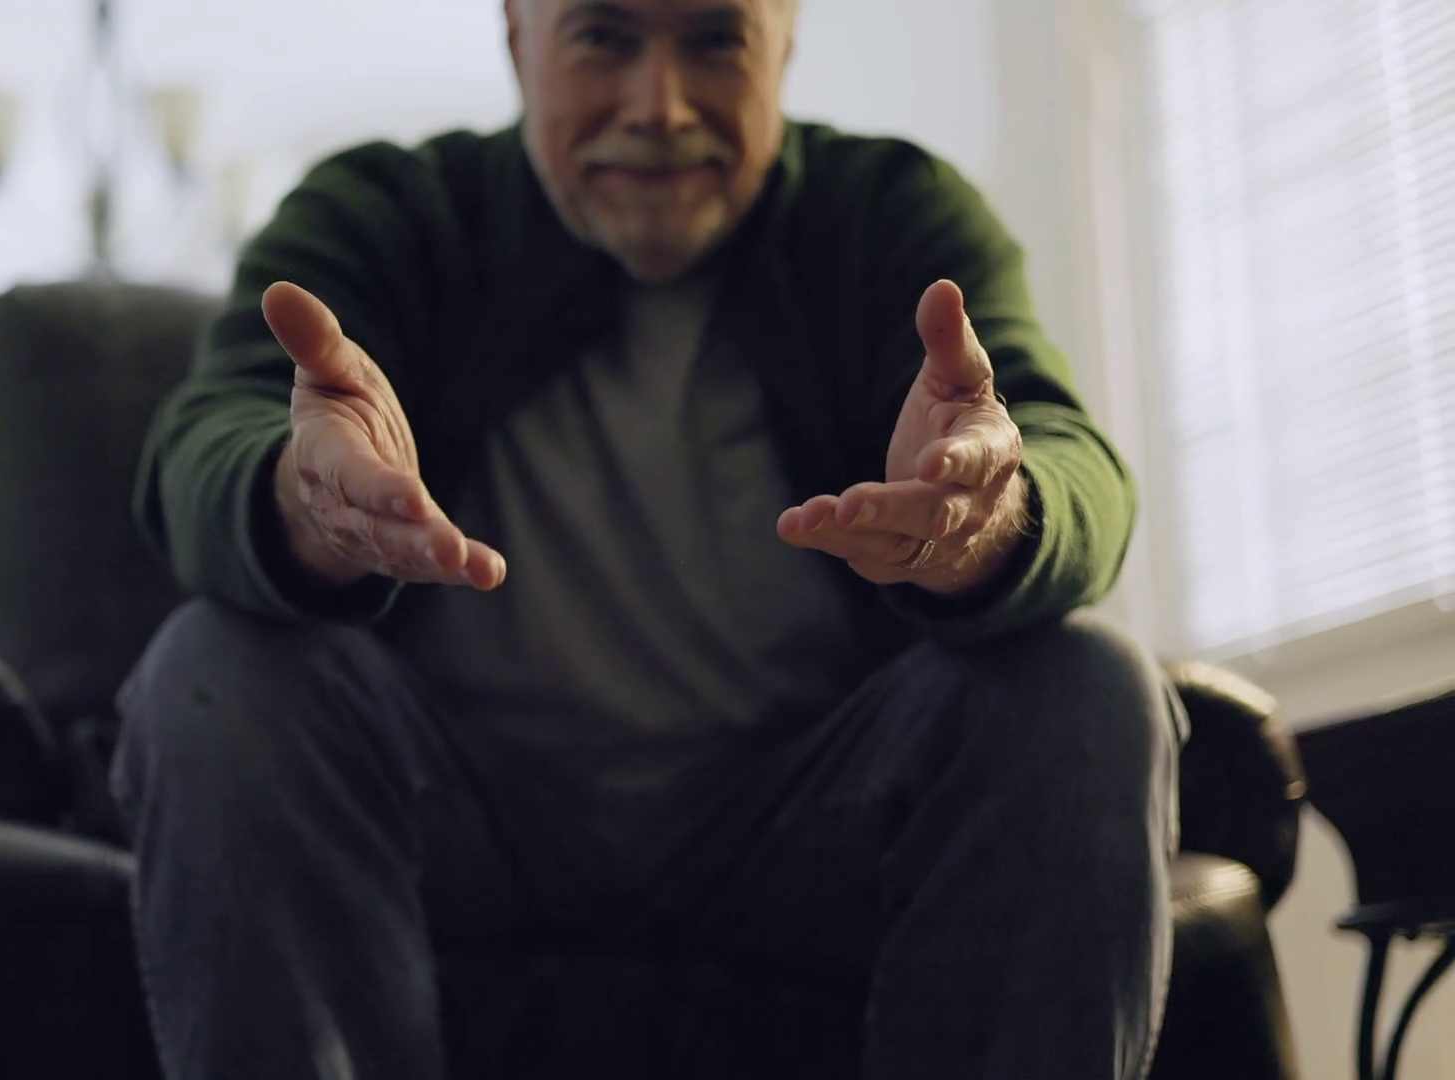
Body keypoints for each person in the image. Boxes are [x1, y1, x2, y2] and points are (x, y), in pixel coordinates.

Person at [111, 0, 1181, 1076]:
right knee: (213, 670)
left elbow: (1063, 453)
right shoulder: (384, 212)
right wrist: (307, 500)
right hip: (462, 820)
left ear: (786, 48)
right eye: (603, 38)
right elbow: (207, 442)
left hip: (808, 826)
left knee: (1088, 683)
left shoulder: (890, 215)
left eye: (714, 39)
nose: (659, 107)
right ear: (517, 41)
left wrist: (989, 519)